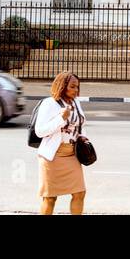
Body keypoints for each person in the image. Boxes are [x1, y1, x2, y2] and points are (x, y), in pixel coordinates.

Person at [34, 71, 87, 215]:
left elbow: (79, 124)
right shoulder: (49, 103)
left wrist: (82, 137)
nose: (76, 90)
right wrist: (61, 118)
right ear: (62, 86)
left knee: (79, 193)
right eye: (72, 87)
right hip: (52, 156)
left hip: (72, 154)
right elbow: (40, 131)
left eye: (77, 87)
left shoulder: (76, 102)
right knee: (50, 198)